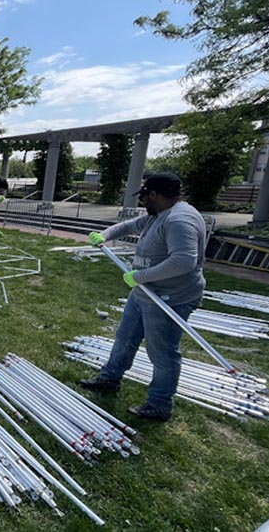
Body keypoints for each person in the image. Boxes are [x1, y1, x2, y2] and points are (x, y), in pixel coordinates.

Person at [80, 172, 207, 422]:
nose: (142, 203)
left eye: (145, 197)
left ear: (155, 195)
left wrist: (140, 276)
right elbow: (128, 226)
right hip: (145, 292)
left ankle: (159, 404)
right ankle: (109, 379)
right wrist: (105, 235)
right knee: (125, 338)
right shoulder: (157, 215)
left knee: (162, 353)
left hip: (169, 297)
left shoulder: (180, 220)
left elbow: (184, 261)